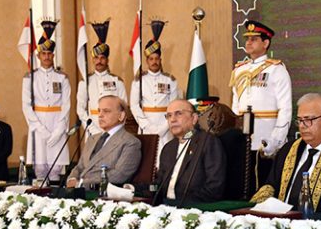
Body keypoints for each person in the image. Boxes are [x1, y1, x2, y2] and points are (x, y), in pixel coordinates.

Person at [229, 20, 292, 188]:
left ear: (266, 43)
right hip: (243, 138)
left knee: (264, 185)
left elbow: (285, 108)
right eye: (247, 39)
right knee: (243, 185)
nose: (248, 42)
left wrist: (276, 139)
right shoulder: (239, 70)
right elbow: (235, 105)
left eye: (254, 39)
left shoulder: (276, 69)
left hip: (266, 136)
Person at [21, 19, 71, 180]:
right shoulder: (30, 77)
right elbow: (26, 106)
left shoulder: (62, 77)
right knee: (40, 168)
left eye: (49, 53)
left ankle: (55, 192)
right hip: (38, 124)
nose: (47, 56)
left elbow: (66, 104)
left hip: (57, 122)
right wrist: (40, 129)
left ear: (53, 55)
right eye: (44, 53)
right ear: (38, 55)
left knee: (56, 167)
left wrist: (60, 129)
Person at [153, 99, 226, 206]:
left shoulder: (207, 142)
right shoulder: (169, 148)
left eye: (179, 113)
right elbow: (157, 186)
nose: (172, 119)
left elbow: (215, 187)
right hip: (165, 206)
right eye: (169, 115)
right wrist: (133, 188)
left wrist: (185, 204)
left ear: (194, 118)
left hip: (194, 207)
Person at [130, 20, 179, 165]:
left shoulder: (170, 80)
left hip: (166, 125)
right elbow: (134, 105)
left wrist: (164, 126)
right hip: (146, 124)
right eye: (151, 59)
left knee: (166, 159)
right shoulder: (139, 81)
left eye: (157, 58)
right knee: (147, 161)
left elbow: (174, 106)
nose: (154, 62)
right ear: (146, 60)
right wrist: (145, 125)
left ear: (160, 59)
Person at [66, 95, 141, 188]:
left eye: (106, 111)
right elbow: (79, 167)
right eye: (99, 111)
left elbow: (119, 175)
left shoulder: (130, 142)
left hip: (99, 192)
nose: (100, 115)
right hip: (77, 191)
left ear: (121, 116)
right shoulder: (92, 139)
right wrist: (72, 179)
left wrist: (81, 183)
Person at [77, 20, 128, 137]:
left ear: (107, 60)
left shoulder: (117, 81)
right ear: (93, 60)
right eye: (96, 58)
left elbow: (123, 108)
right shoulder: (85, 81)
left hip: (113, 130)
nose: (99, 61)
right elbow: (80, 109)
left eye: (102, 58)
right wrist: (92, 129)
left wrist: (115, 130)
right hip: (92, 130)